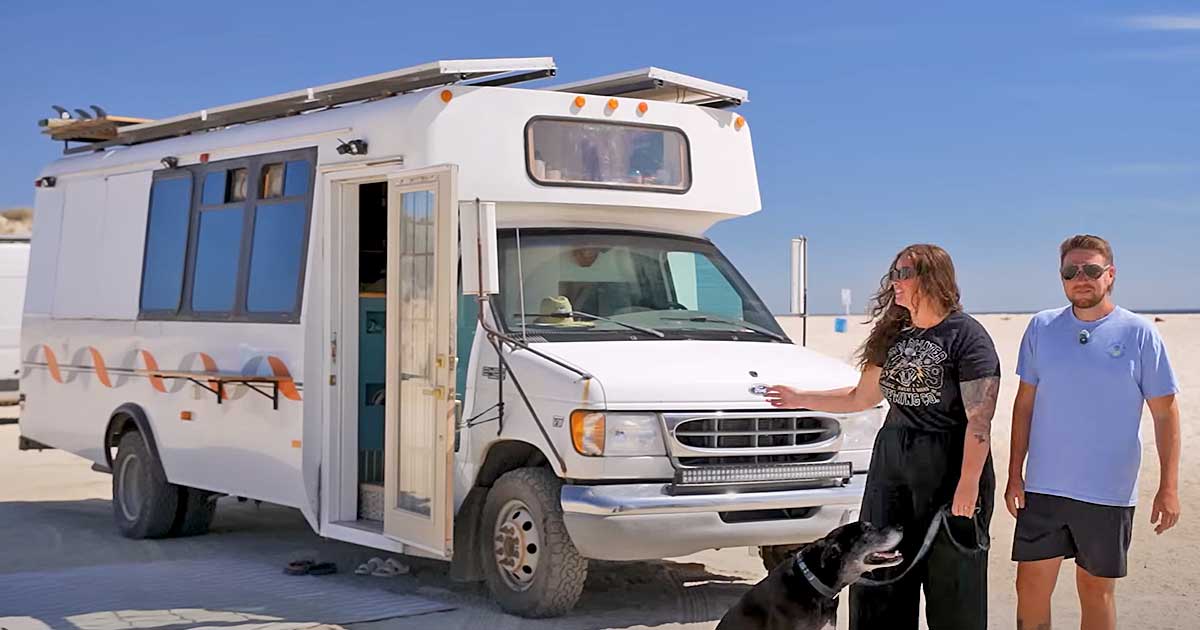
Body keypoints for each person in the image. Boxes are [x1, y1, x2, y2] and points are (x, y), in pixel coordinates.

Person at [766, 244, 999, 630]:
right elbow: (862, 396)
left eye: (904, 273)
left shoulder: (966, 336)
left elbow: (980, 420)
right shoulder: (892, 333)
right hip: (892, 467)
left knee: (953, 582)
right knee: (879, 574)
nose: (895, 282)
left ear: (933, 278)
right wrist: (799, 398)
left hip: (948, 465)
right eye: (894, 273)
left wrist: (968, 484)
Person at [1007, 234, 1181, 630]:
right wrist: (1015, 472)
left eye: (1091, 269)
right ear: (1062, 277)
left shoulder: (1139, 333)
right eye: (1071, 271)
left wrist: (1168, 487)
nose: (1080, 278)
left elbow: (1166, 414)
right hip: (1043, 487)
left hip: (1108, 491)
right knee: (1029, 586)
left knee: (1095, 591)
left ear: (1110, 274)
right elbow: (1024, 405)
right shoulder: (1041, 327)